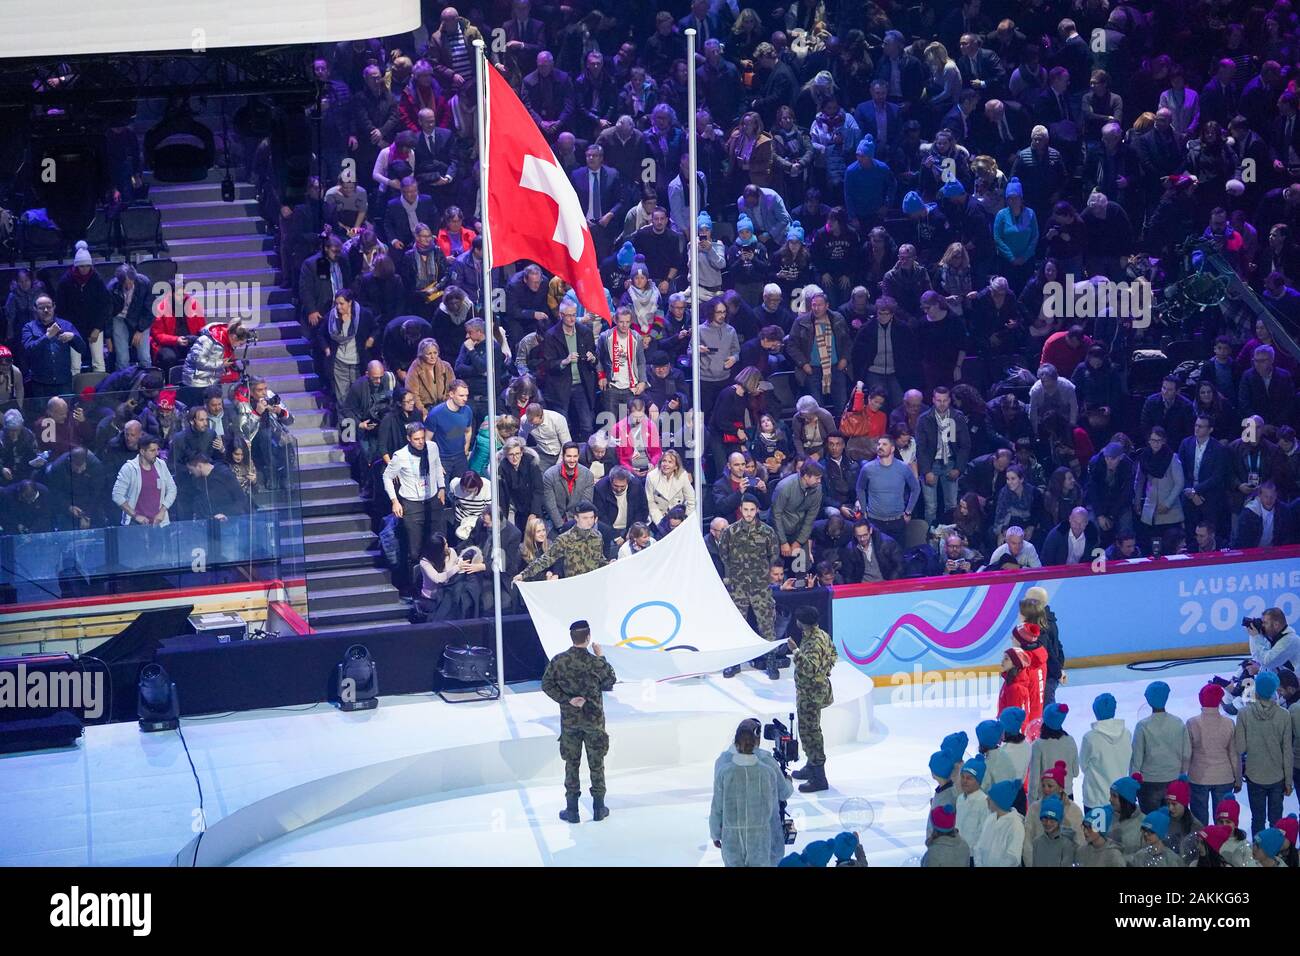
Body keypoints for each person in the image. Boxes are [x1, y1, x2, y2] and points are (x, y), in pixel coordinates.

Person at [541, 619, 617, 823]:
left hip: (570, 723)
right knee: (597, 765)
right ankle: (599, 809)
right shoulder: (595, 662)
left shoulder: (558, 661)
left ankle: (572, 810)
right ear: (588, 637)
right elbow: (610, 681)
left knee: (571, 765)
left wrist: (567, 700)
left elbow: (546, 685)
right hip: (594, 722)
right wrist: (601, 657)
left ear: (572, 638)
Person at [718, 493, 780, 680]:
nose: (748, 513)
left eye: (752, 510)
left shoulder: (767, 532)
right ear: (740, 510)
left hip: (760, 585)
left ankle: (771, 662)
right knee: (737, 625)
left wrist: (761, 573)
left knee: (766, 624)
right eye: (745, 509)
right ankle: (734, 663)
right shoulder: (731, 531)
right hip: (738, 586)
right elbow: (724, 554)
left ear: (757, 510)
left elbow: (773, 555)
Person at [382, 422, 447, 594]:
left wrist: (442, 487)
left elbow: (437, 466)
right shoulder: (400, 456)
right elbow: (387, 477)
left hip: (432, 500)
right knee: (415, 549)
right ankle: (416, 588)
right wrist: (394, 500)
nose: (420, 442)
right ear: (409, 439)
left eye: (422, 438)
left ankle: (439, 584)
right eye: (416, 439)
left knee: (437, 542)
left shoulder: (432, 447)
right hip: (412, 503)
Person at [710, 721, 785, 867]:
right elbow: (774, 803)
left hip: (732, 839)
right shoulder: (767, 772)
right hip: (761, 838)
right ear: (755, 744)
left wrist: (715, 833)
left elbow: (717, 808)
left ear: (736, 743)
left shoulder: (724, 772)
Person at [1233, 670, 1294, 836]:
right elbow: (1287, 751)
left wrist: (1238, 779)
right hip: (1277, 777)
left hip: (1254, 775)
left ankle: (1257, 855)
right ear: (1274, 690)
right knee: (1276, 820)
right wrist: (1288, 781)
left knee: (1257, 819)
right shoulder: (1284, 715)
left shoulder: (1243, 714)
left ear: (1256, 689)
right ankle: (1275, 855)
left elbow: (1240, 749)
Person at [788, 605, 837, 794]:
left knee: (811, 733)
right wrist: (826, 669)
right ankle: (811, 765)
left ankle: (819, 776)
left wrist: (796, 652)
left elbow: (810, 669)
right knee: (809, 731)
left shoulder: (814, 642)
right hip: (813, 691)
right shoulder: (821, 635)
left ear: (802, 623)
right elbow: (833, 653)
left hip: (811, 695)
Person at [1186, 683, 1241, 829]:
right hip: (1224, 776)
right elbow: (1234, 754)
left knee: (1198, 822)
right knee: (1222, 822)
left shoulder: (1192, 723)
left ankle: (1201, 849)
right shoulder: (1229, 723)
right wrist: (1238, 779)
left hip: (1198, 777)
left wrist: (1183, 776)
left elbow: (1187, 753)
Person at [1131, 681, 1191, 813]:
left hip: (1149, 782)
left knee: (1151, 825)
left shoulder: (1142, 726)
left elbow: (1137, 756)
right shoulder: (1178, 723)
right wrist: (1182, 773)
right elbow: (1187, 753)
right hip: (1173, 778)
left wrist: (1134, 779)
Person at [514, 501, 607, 581]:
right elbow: (546, 559)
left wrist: (609, 564)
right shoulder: (565, 539)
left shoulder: (597, 536)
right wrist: (523, 575)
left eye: (591, 517)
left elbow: (599, 558)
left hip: (593, 583)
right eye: (585, 518)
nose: (589, 521)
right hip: (572, 585)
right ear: (576, 518)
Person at [1079, 693, 1132, 816]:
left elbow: (1083, 765)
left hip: (1096, 799)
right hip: (1120, 798)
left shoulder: (1090, 738)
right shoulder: (1126, 733)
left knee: (1096, 834)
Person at [111, 434, 176, 527]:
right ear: (142, 451)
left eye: (157, 450)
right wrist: (135, 516)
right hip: (135, 525)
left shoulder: (161, 465)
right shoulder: (129, 468)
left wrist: (162, 511)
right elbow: (117, 495)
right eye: (152, 450)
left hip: (158, 523)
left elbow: (172, 489)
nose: (157, 453)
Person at [974, 780, 1025, 867]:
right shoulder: (990, 819)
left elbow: (1013, 858)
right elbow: (979, 847)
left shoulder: (1015, 825)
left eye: (990, 797)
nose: (986, 799)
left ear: (999, 801)